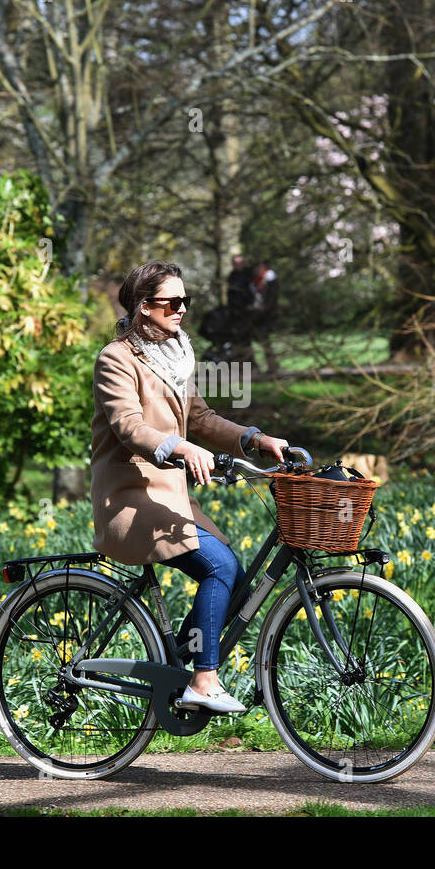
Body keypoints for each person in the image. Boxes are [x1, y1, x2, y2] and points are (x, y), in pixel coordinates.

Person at [90, 260, 291, 713]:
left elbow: (200, 418)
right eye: (172, 302)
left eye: (186, 301)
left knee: (236, 576)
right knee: (220, 567)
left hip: (170, 496)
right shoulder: (116, 358)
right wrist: (181, 449)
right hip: (131, 497)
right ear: (144, 307)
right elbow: (129, 427)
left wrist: (254, 439)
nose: (182, 309)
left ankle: (177, 670)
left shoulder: (177, 353)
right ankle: (202, 682)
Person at [249, 259, 280, 375]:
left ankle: (273, 366)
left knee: (265, 339)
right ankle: (267, 365)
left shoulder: (270, 278)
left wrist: (265, 306)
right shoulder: (256, 280)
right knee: (260, 339)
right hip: (259, 313)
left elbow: (273, 295)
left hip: (268, 314)